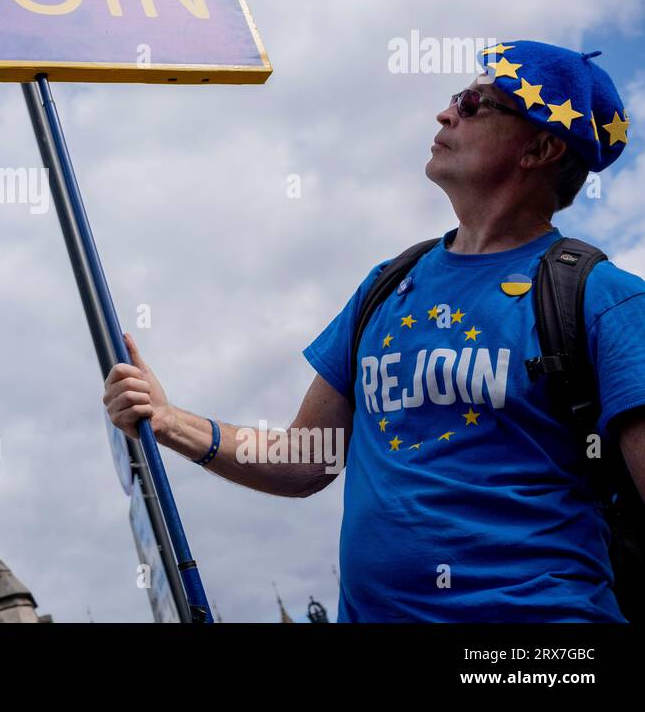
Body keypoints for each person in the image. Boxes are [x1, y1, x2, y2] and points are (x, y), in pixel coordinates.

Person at [104, 40, 645, 621]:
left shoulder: (604, 299)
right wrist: (169, 421)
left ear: (540, 147)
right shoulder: (387, 285)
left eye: (473, 103)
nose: (446, 113)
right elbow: (307, 460)